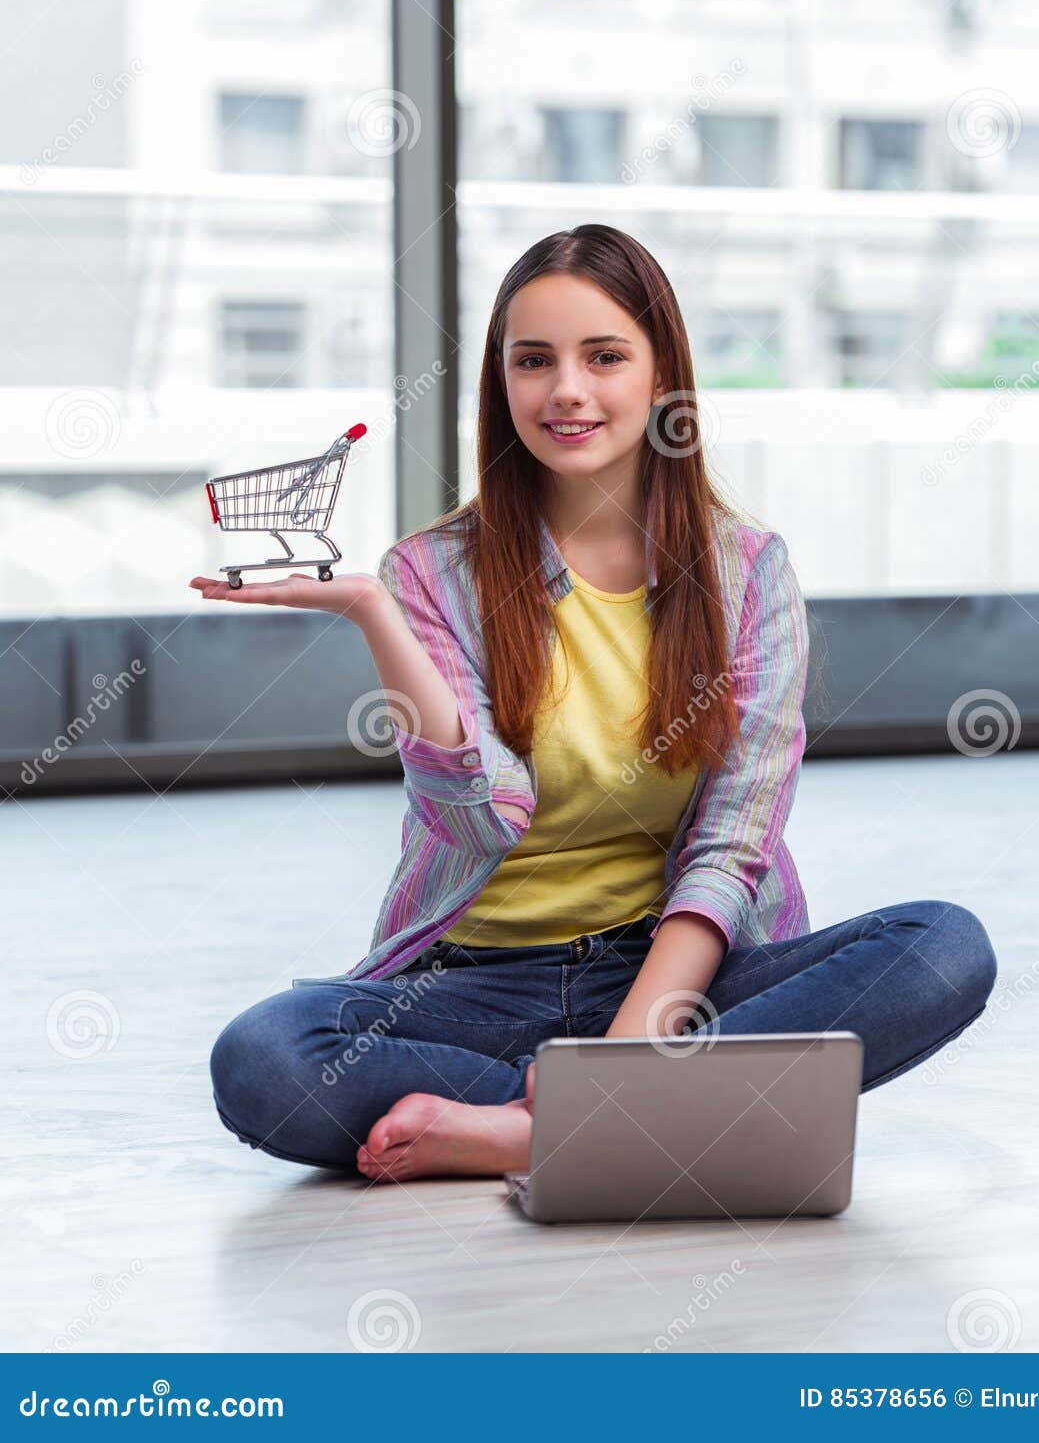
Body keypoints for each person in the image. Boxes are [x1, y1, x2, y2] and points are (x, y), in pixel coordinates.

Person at [195, 223, 997, 1184]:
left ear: (662, 380)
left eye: (604, 357)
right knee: (265, 1058)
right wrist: (373, 615)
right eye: (533, 361)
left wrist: (623, 1056)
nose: (565, 390)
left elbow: (728, 851)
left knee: (945, 948)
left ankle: (540, 1131)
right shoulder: (428, 574)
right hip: (478, 984)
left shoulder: (749, 574)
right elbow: (481, 814)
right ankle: (649, 1120)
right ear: (503, 384)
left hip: (676, 974)